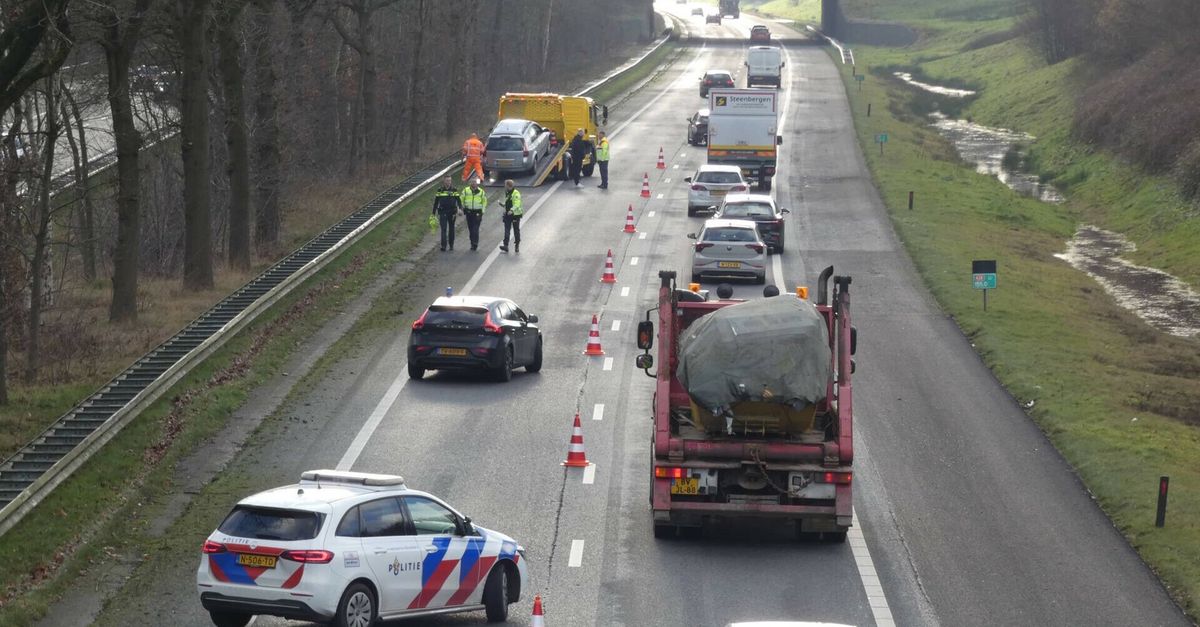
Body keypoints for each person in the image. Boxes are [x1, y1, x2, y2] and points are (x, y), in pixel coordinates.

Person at [432, 177, 462, 251]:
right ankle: (443, 246)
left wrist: (460, 209)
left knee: (451, 229)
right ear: (444, 181)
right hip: (443, 212)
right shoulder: (440, 190)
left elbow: (458, 200)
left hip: (452, 212)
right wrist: (433, 213)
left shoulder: (454, 189)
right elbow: (436, 202)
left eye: (450, 181)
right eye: (447, 180)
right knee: (443, 229)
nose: (448, 182)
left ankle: (451, 245)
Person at [460, 178, 488, 251]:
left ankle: (475, 243)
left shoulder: (481, 192)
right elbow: (461, 199)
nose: (474, 183)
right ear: (470, 183)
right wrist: (461, 208)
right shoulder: (466, 191)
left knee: (475, 229)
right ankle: (472, 242)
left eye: (475, 182)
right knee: (470, 229)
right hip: (469, 212)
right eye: (472, 182)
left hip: (478, 213)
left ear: (477, 183)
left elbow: (484, 202)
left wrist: (483, 211)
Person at [498, 179, 522, 253]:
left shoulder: (516, 193)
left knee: (516, 230)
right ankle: (506, 245)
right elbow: (508, 202)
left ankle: (517, 245)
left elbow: (517, 203)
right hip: (508, 214)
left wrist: (512, 210)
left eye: (505, 185)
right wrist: (503, 205)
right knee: (507, 230)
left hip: (515, 215)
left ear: (508, 186)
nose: (504, 187)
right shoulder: (507, 192)